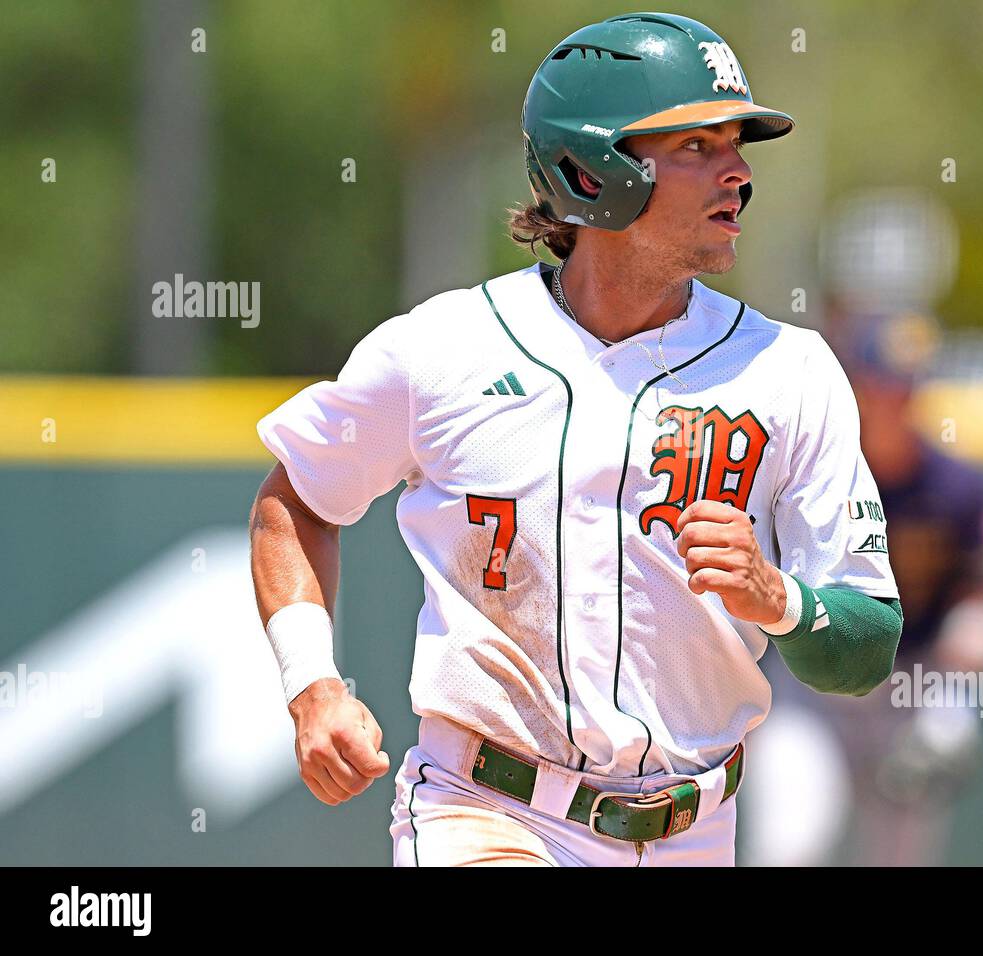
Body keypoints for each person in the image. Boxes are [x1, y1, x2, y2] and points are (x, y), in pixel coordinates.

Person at [248, 12, 902, 868]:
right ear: (593, 170)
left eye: (736, 144)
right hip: (486, 809)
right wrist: (312, 686)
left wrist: (777, 596)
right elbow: (295, 501)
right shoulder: (442, 351)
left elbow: (867, 646)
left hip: (694, 831)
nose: (739, 173)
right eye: (696, 147)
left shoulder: (789, 372)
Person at [758, 310, 983, 866]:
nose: (898, 398)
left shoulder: (958, 484)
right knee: (790, 847)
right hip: (814, 687)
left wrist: (953, 706)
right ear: (856, 386)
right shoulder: (812, 474)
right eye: (884, 383)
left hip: (909, 690)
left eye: (910, 385)